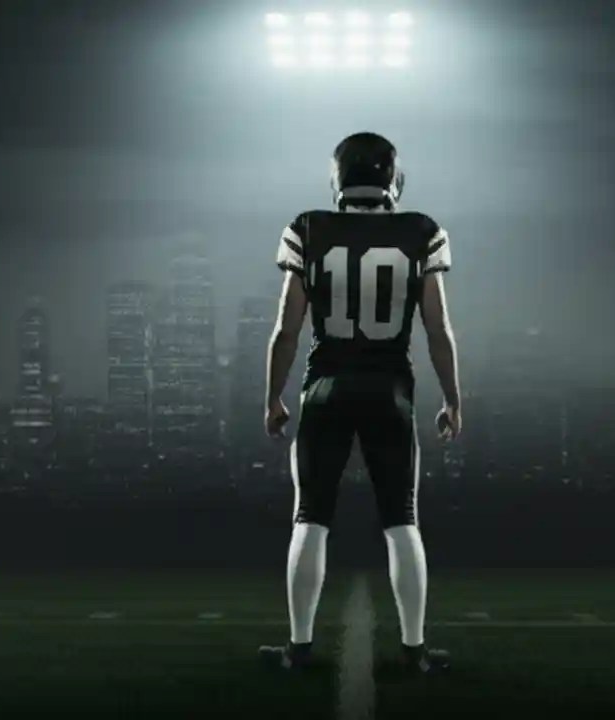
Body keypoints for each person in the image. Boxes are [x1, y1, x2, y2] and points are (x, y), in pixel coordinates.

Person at [258, 132, 460, 674]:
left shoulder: (308, 228)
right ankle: (414, 651)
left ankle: (299, 649)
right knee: (403, 520)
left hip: (326, 387)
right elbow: (438, 328)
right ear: (392, 179)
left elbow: (287, 328)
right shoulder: (421, 231)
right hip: (390, 389)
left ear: (338, 178)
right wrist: (453, 399)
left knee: (310, 519)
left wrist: (273, 396)